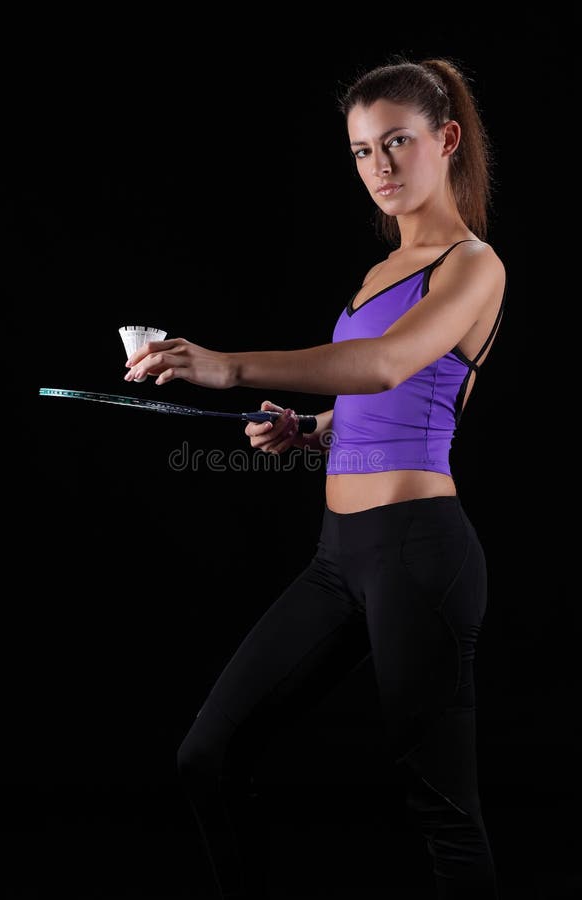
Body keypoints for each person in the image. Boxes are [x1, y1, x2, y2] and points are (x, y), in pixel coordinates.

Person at [125, 56, 506, 899]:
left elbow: (388, 363)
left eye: (396, 142)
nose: (379, 167)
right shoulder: (378, 274)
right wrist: (312, 428)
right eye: (362, 151)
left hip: (419, 553)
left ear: (446, 139)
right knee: (207, 754)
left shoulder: (473, 265)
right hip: (339, 557)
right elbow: (385, 398)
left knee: (442, 807)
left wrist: (228, 366)